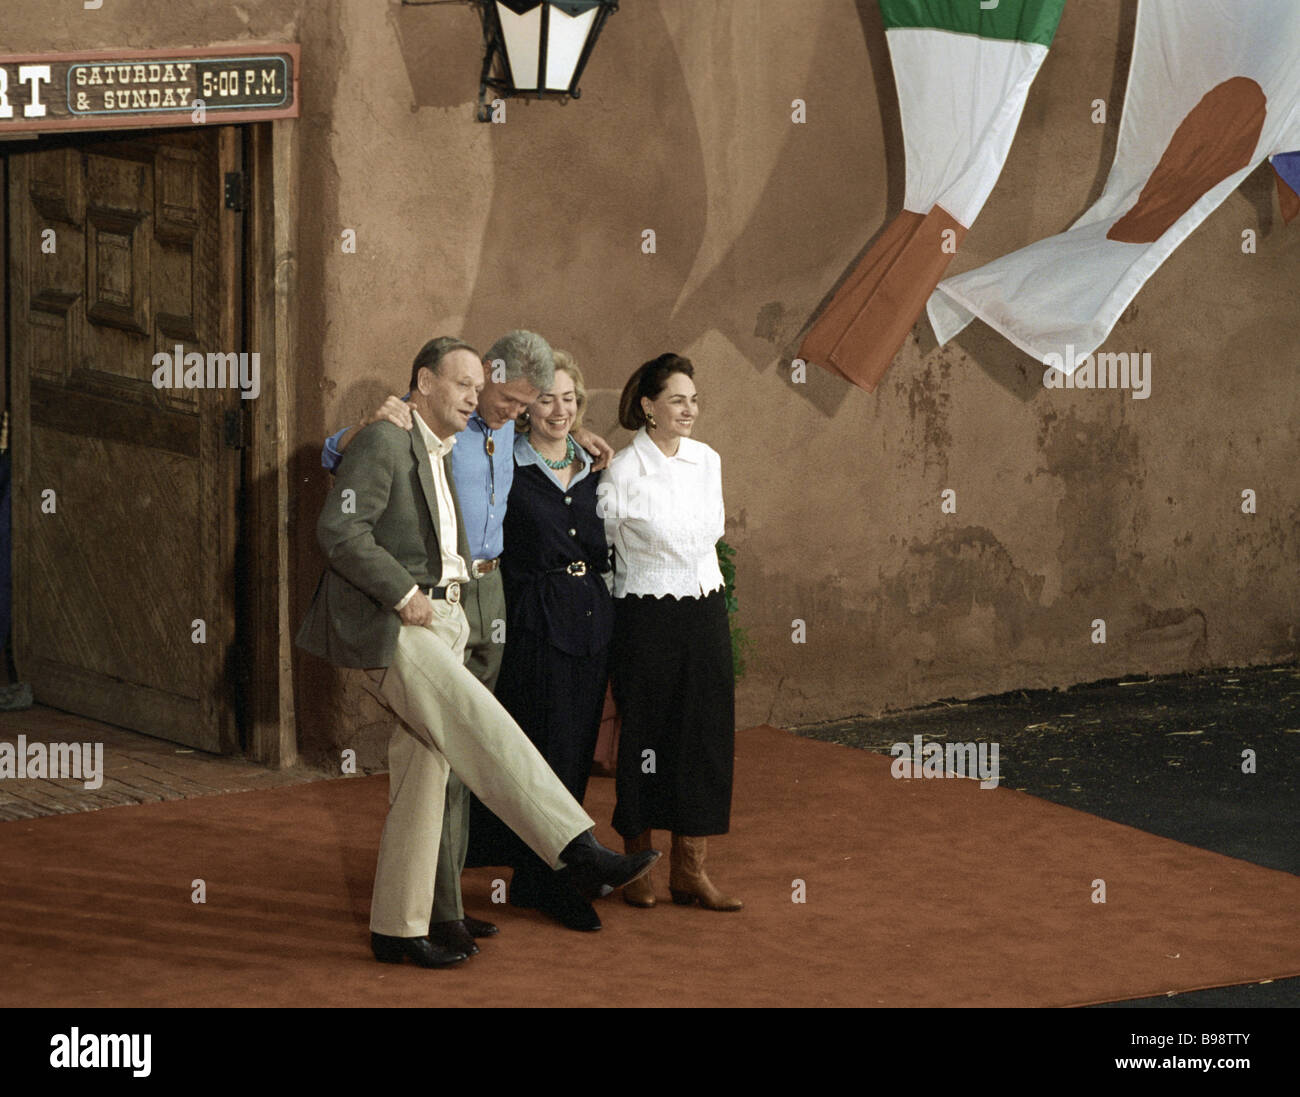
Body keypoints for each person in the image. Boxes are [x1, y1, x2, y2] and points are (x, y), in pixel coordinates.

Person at [297, 336, 658, 969]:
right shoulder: (388, 436)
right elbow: (339, 528)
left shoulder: (446, 447)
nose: (474, 398)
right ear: (424, 383)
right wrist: (406, 593)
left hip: (448, 615)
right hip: (394, 625)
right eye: (462, 385)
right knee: (481, 725)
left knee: (427, 770)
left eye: (476, 388)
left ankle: (400, 927)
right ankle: (575, 847)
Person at [465, 352, 615, 931]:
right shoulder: (506, 458)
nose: (559, 409)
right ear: (527, 407)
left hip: (590, 620)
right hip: (532, 621)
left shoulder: (595, 464)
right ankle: (546, 877)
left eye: (570, 398)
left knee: (576, 748)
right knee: (542, 747)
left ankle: (552, 871)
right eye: (547, 398)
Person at [602, 353, 742, 911]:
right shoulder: (621, 470)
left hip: (705, 612)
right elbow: (608, 542)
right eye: (678, 399)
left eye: (694, 399)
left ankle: (690, 871)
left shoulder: (708, 460)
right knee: (646, 736)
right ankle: (638, 864)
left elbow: (711, 531)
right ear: (648, 407)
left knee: (705, 736)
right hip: (644, 615)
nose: (690, 409)